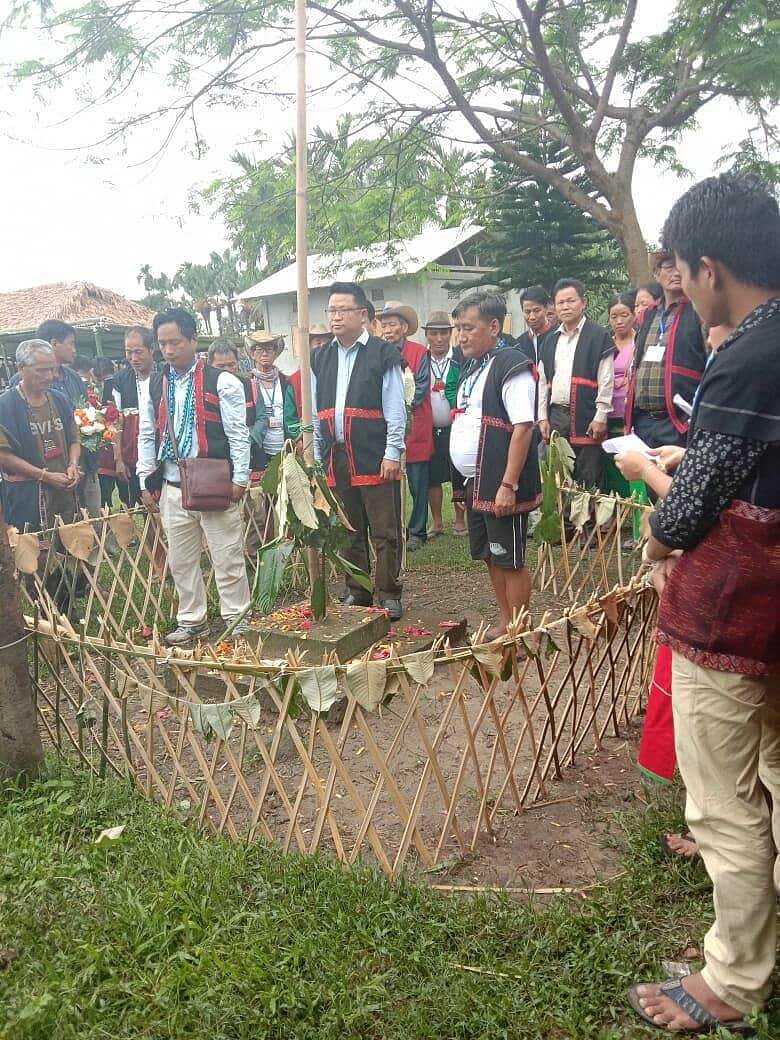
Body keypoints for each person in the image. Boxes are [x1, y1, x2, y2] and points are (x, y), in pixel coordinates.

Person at [625, 173, 780, 1035]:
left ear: (711, 267)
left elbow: (686, 520)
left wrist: (653, 502)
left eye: (681, 268)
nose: (677, 284)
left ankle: (733, 977)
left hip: (734, 616)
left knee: (721, 802)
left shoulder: (749, 353)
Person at [137, 308, 251, 646]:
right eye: (162, 344)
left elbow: (238, 433)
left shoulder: (223, 381)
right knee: (181, 560)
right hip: (172, 484)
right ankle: (191, 621)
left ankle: (237, 619)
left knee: (227, 554)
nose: (168, 351)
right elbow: (148, 434)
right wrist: (146, 476)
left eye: (175, 343)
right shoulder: (155, 384)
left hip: (214, 481)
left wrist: (240, 478)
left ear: (192, 340)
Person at [311, 281, 405, 620]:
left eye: (342, 310)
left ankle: (389, 593)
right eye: (331, 311)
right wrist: (315, 454)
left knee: (384, 529)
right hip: (336, 457)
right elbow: (314, 409)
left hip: (373, 453)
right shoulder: (320, 357)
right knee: (348, 530)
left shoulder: (382, 353)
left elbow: (396, 407)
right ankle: (358, 590)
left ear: (362, 314)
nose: (335, 317)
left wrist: (393, 452)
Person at [449, 292, 540, 637]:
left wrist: (508, 484)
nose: (462, 336)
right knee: (490, 554)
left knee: (509, 557)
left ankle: (518, 626)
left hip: (500, 481)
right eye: (459, 328)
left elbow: (522, 428)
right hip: (477, 480)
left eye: (468, 328)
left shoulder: (511, 365)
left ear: (494, 326)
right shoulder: (474, 366)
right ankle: (506, 619)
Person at [537, 278, 615, 491]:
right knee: (559, 476)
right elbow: (542, 382)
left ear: (584, 302)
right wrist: (542, 417)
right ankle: (565, 525)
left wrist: (601, 417)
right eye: (560, 302)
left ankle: (590, 524)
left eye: (570, 301)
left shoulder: (599, 336)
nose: (565, 306)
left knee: (589, 475)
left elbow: (606, 379)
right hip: (557, 417)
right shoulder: (550, 340)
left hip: (587, 414)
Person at [625, 252, 707, 450]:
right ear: (657, 273)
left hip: (679, 422)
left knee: (677, 479)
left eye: (681, 266)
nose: (676, 272)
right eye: (669, 267)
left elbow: (712, 362)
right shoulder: (649, 314)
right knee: (648, 477)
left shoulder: (700, 311)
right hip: (644, 421)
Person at [0, 340, 81, 532]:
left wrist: (73, 465)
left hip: (64, 488)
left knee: (72, 545)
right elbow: (4, 455)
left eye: (52, 370)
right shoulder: (5, 406)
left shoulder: (60, 399)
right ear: (20, 368)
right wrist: (45, 476)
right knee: (34, 551)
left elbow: (75, 439)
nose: (50, 376)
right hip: (28, 495)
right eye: (42, 370)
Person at [380, 302, 433, 551]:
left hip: (416, 426)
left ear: (403, 327)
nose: (387, 330)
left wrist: (401, 406)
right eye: (384, 325)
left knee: (418, 483)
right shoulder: (378, 352)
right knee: (389, 483)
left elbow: (420, 387)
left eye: (392, 324)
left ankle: (417, 531)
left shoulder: (419, 352)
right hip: (387, 428)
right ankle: (393, 529)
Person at [423, 310, 466, 537]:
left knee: (458, 472)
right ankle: (437, 522)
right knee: (432, 476)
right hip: (429, 429)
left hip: (456, 427)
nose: (438, 339)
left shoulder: (460, 358)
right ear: (427, 336)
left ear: (450, 334)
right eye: (433, 334)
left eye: (442, 333)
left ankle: (460, 520)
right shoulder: (421, 361)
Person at [107, 327, 156, 507]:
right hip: (131, 455)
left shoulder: (164, 377)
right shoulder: (121, 380)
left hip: (160, 454)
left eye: (138, 352)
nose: (134, 358)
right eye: (129, 352)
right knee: (139, 505)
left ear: (151, 350)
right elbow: (115, 420)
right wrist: (118, 459)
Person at [603, 292, 639, 500]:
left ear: (633, 315)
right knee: (610, 461)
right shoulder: (604, 343)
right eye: (613, 316)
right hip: (607, 414)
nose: (618, 321)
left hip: (631, 413)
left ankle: (633, 504)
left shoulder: (640, 342)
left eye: (623, 315)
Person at [247, 331, 293, 473]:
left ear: (275, 353)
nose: (265, 353)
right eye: (259, 349)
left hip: (285, 447)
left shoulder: (286, 382)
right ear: (253, 353)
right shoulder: (247, 384)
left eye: (269, 348)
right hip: (258, 449)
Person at [286, 323, 331, 438]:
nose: (322, 347)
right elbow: (290, 419)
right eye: (318, 342)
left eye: (326, 343)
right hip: (307, 441)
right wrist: (300, 438)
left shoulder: (338, 373)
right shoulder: (296, 380)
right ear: (309, 346)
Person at [517, 285, 556, 364]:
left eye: (536, 310)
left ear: (546, 308)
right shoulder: (519, 344)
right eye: (527, 312)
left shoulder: (558, 336)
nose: (532, 317)